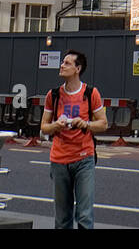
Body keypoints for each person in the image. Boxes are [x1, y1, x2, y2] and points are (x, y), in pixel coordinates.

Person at [40, 50, 108, 228]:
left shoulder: (91, 93)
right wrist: (56, 126)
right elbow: (44, 127)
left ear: (78, 68)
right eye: (62, 62)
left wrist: (85, 124)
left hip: (84, 158)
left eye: (67, 63)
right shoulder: (53, 95)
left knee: (84, 215)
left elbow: (103, 124)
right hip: (59, 159)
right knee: (62, 217)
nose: (62, 66)